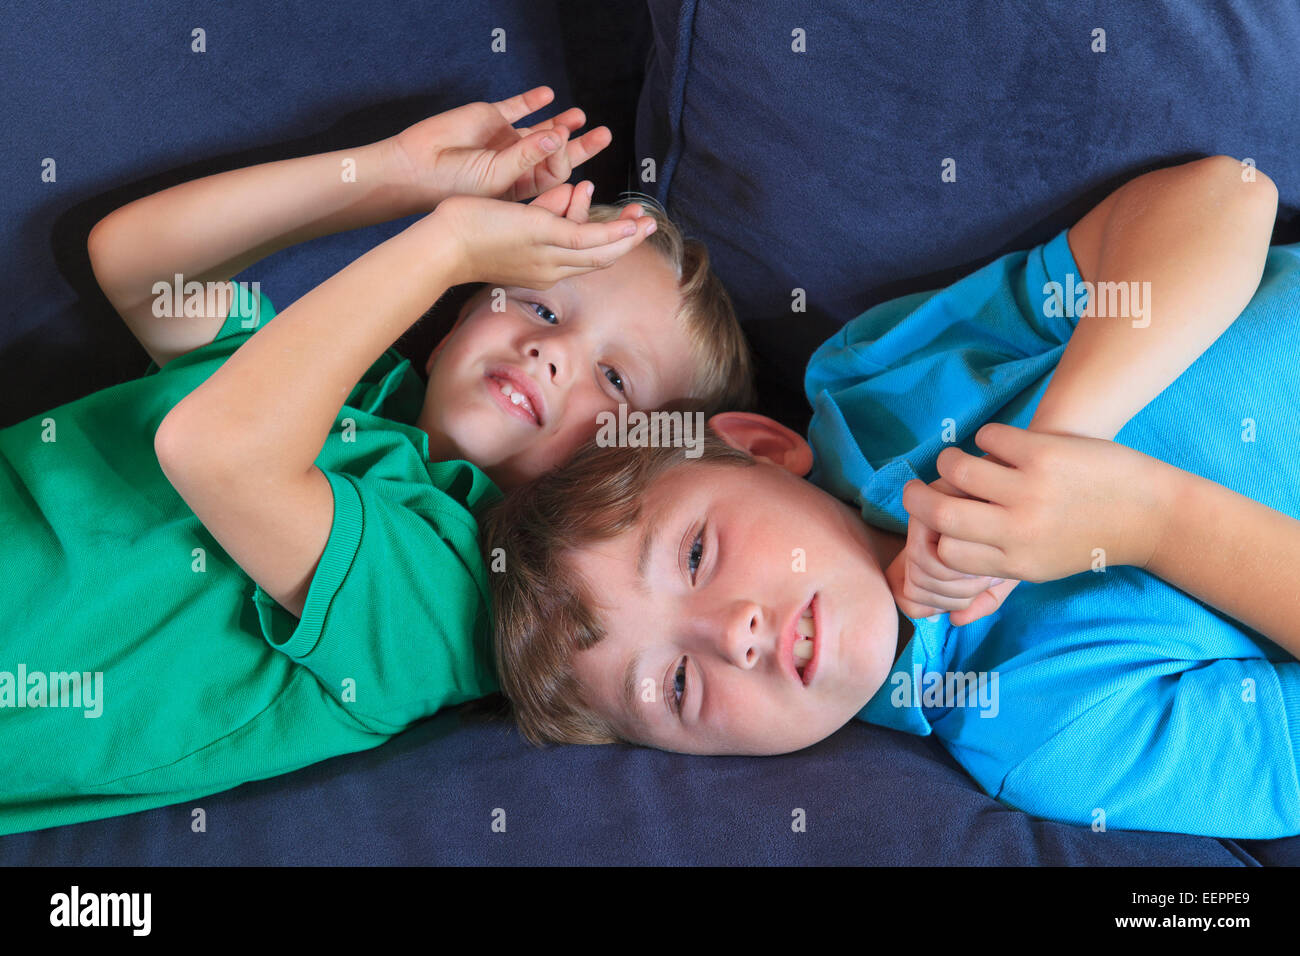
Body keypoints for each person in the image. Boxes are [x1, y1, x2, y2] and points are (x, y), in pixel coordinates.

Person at [0, 86, 753, 836]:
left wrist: (447, 245)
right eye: (540, 306)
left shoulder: (454, 597)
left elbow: (216, 451)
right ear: (460, 312)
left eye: (615, 380)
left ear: (630, 473)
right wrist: (388, 174)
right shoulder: (354, 381)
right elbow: (134, 263)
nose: (549, 353)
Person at [483, 155, 1300, 838]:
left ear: (763, 447)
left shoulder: (875, 392)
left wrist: (1065, 439)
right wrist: (1149, 522)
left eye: (697, 553)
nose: (733, 635)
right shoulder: (1041, 735)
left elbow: (1231, 196)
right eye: (678, 687)